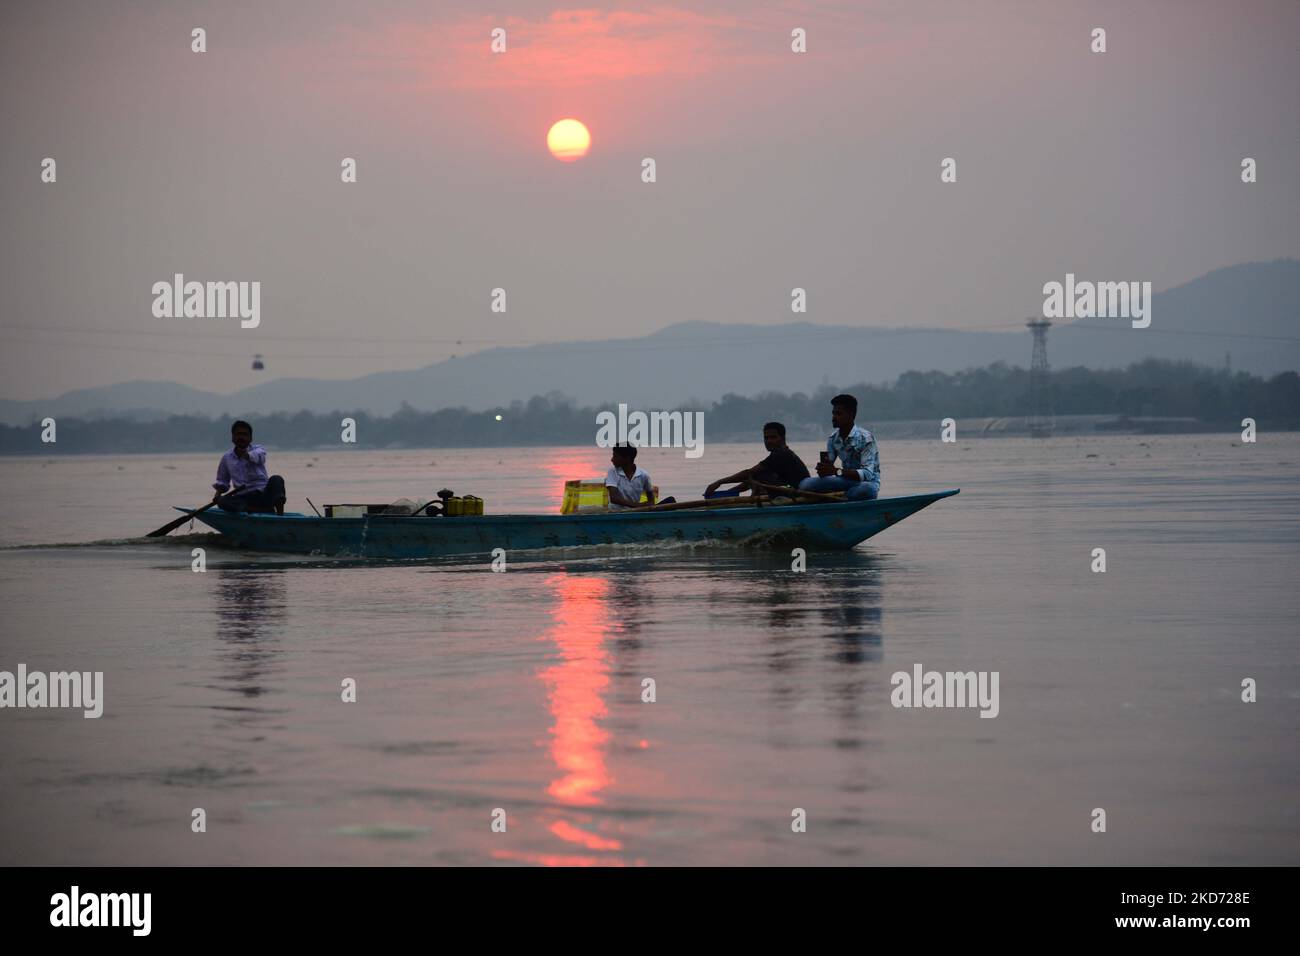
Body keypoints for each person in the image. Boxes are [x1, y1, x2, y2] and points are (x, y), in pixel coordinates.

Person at [798, 394, 881, 501]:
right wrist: (823, 469)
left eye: (838, 414)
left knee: (863, 490)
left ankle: (842, 496)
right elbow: (829, 467)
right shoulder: (833, 439)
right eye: (833, 413)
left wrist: (836, 472)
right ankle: (842, 496)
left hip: (867, 484)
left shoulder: (866, 438)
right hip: (845, 481)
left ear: (851, 415)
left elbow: (867, 474)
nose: (833, 417)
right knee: (805, 484)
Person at [704, 422, 810, 497]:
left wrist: (719, 482)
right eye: (766, 438)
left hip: (797, 495)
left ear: (782, 438)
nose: (768, 441)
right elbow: (752, 478)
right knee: (759, 477)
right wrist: (728, 494)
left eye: (773, 437)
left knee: (758, 478)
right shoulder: (779, 455)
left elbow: (748, 473)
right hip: (787, 490)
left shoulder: (782, 454)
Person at [212, 420, 287, 514]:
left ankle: (280, 515)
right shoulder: (227, 458)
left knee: (277, 479)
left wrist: (246, 455)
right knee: (222, 501)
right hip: (244, 499)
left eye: (245, 434)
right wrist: (217, 496)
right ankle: (256, 510)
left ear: (250, 438)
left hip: (263, 495)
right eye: (238, 434)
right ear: (233, 438)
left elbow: (260, 456)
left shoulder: (258, 449)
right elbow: (222, 482)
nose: (241, 437)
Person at [605, 444, 656, 509]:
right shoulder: (612, 472)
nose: (612, 459)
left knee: (670, 499)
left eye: (615, 456)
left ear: (627, 458)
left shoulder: (643, 475)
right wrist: (637, 505)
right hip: (616, 513)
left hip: (634, 513)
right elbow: (614, 498)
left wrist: (646, 505)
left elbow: (651, 500)